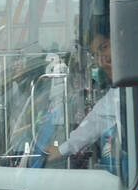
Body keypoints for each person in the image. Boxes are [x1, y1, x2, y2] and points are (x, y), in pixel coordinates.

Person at [45, 27, 124, 164]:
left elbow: (93, 123)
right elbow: (93, 123)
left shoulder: (136, 88)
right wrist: (61, 150)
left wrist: (62, 150)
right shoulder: (115, 92)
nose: (102, 59)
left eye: (104, 47)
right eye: (95, 54)